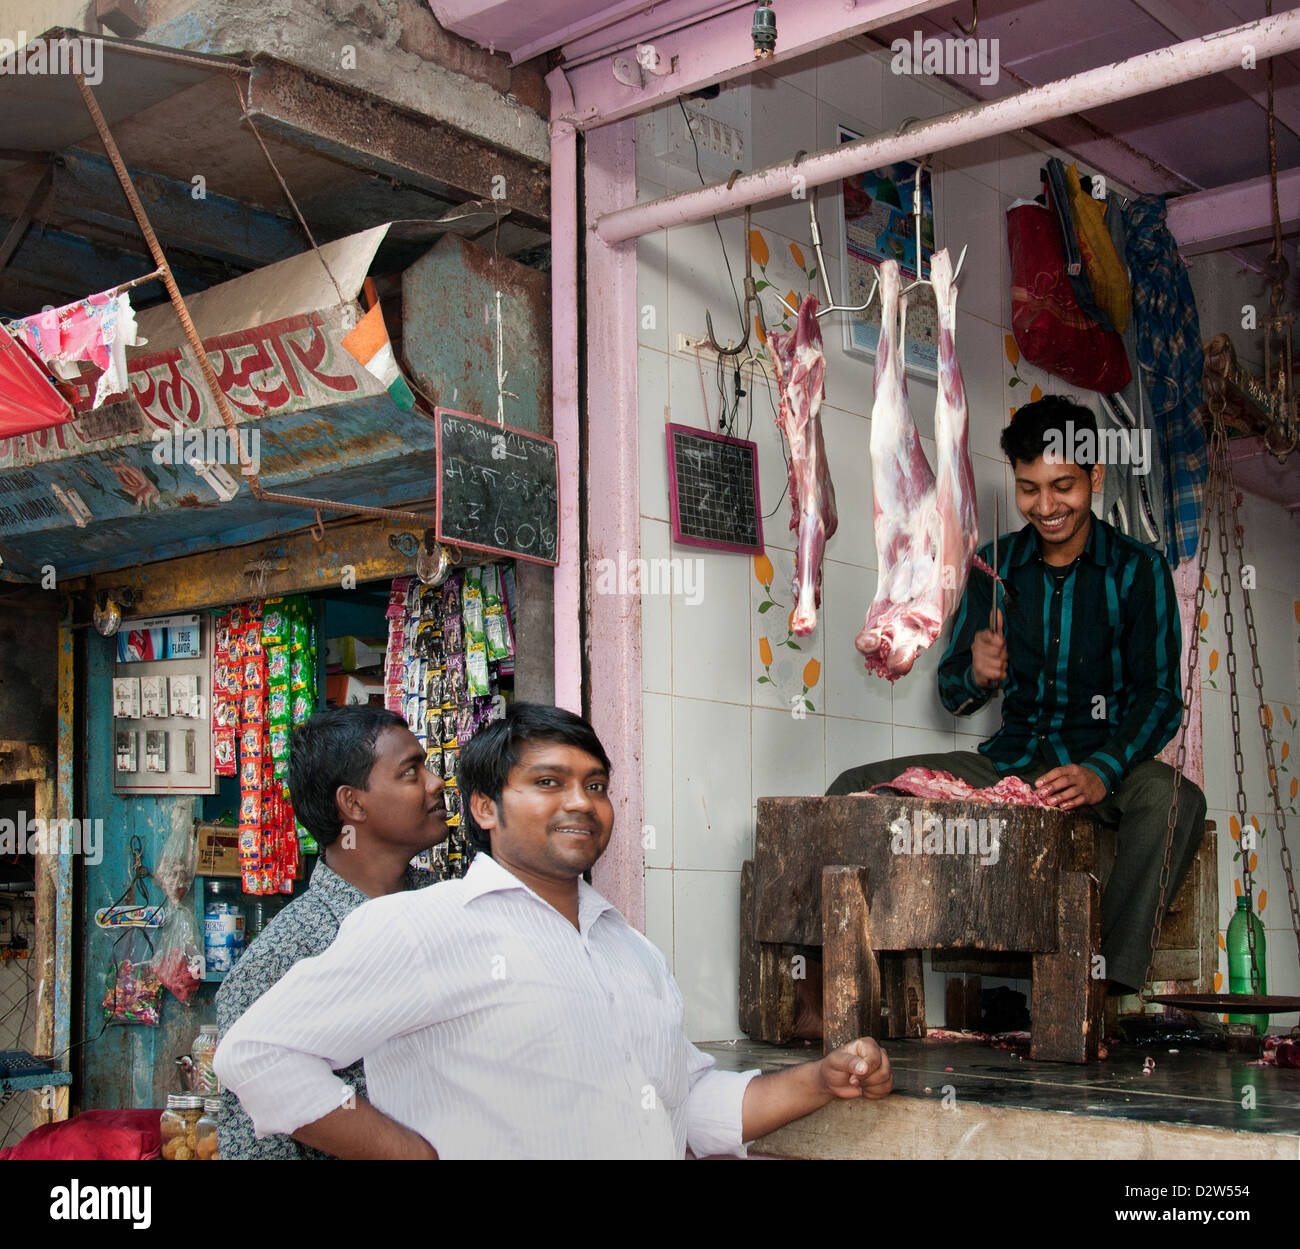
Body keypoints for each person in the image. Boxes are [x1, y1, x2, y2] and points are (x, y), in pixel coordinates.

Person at [215, 702, 892, 1159]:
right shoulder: (422, 926)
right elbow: (257, 1055)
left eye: (595, 784)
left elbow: (686, 1103)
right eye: (548, 781)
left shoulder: (629, 949)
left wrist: (820, 1079)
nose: (580, 801)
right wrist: (416, 1154)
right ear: (485, 807)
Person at [829, 395, 1206, 996]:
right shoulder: (994, 565)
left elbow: (1160, 697)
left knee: (1175, 799)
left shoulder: (1139, 570)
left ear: (1095, 475)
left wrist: (1102, 770)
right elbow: (954, 695)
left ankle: (1097, 984)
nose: (1047, 506)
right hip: (1010, 763)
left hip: (1103, 764)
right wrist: (977, 673)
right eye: (1030, 489)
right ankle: (840, 986)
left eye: (1063, 486)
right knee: (852, 785)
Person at [216, 705, 448, 1160]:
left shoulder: (448, 910)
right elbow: (258, 1148)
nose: (436, 782)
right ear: (354, 803)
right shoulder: (283, 958)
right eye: (410, 772)